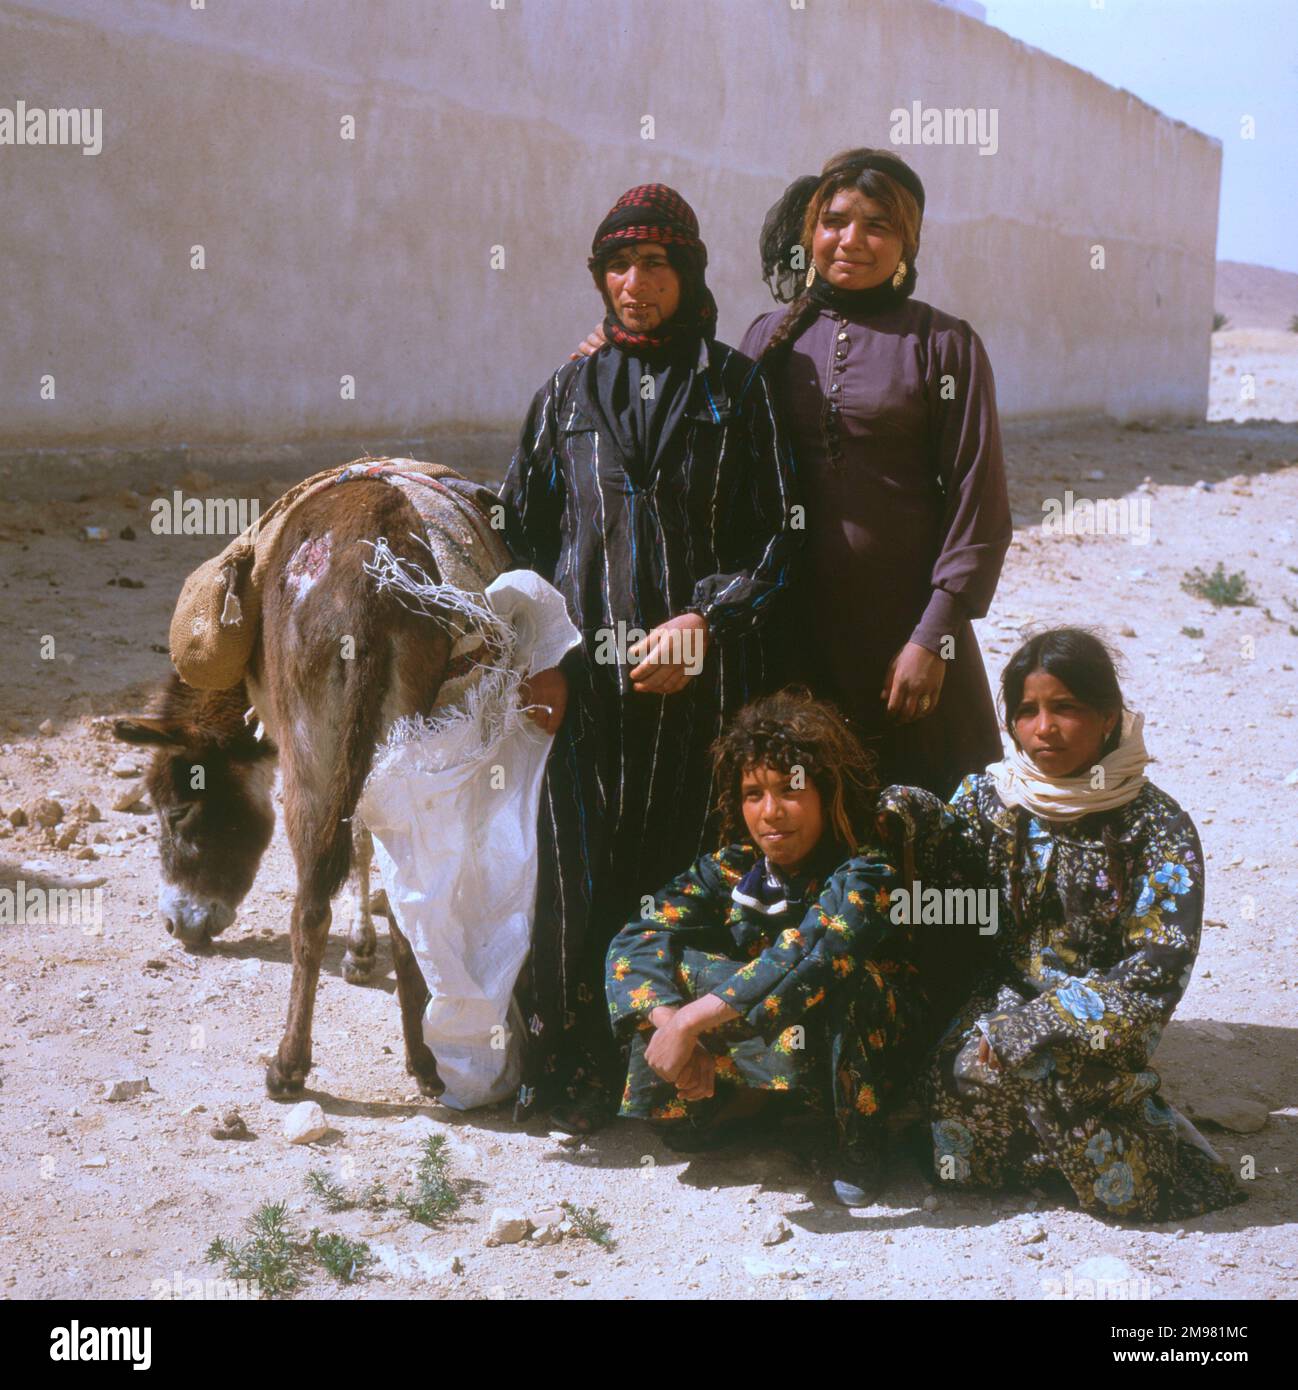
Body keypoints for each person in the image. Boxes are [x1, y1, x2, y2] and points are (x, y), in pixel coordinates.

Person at [500, 184, 803, 1132]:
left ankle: (681, 1066)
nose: (636, 286)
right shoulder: (564, 393)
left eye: (657, 267)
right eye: (618, 267)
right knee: (570, 871)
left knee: (688, 873)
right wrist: (539, 653)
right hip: (587, 689)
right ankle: (563, 1059)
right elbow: (518, 536)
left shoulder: (735, 389)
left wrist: (706, 620)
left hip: (699, 697)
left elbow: (783, 537)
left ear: (689, 276)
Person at [884, 628, 1247, 1220]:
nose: (1043, 728)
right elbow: (949, 886)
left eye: (1065, 708)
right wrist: (910, 820)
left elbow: (1157, 968)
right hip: (1002, 994)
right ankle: (1050, 1154)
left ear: (1107, 717)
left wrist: (1035, 1023)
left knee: (1043, 1069)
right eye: (1027, 711)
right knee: (957, 1077)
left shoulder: (1156, 827)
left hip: (1102, 1012)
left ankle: (1152, 1153)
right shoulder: (993, 797)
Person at [605, 688, 986, 1206]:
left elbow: (814, 953)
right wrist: (667, 1020)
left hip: (878, 1041)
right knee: (680, 965)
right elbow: (638, 936)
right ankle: (741, 1100)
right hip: (790, 1029)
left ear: (828, 793)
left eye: (790, 789)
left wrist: (692, 1023)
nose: (771, 813)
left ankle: (860, 1138)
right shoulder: (734, 866)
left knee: (842, 978)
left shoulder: (868, 868)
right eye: (753, 793)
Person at [740, 148, 1012, 798]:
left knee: (920, 817)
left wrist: (934, 636)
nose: (851, 241)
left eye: (877, 226)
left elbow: (980, 503)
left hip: (903, 637)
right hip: (791, 634)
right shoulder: (765, 340)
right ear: (811, 232)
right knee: (803, 812)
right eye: (834, 221)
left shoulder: (944, 345)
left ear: (907, 243)